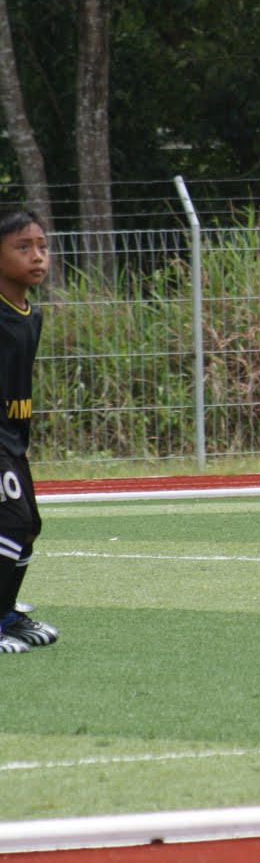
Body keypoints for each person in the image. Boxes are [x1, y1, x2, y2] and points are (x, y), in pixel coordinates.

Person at [0, 208, 60, 653]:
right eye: (23, 247)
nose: (37, 256)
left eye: (41, 246)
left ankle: (5, 614)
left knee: (29, 525)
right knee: (13, 523)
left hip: (13, 439)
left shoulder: (28, 313)